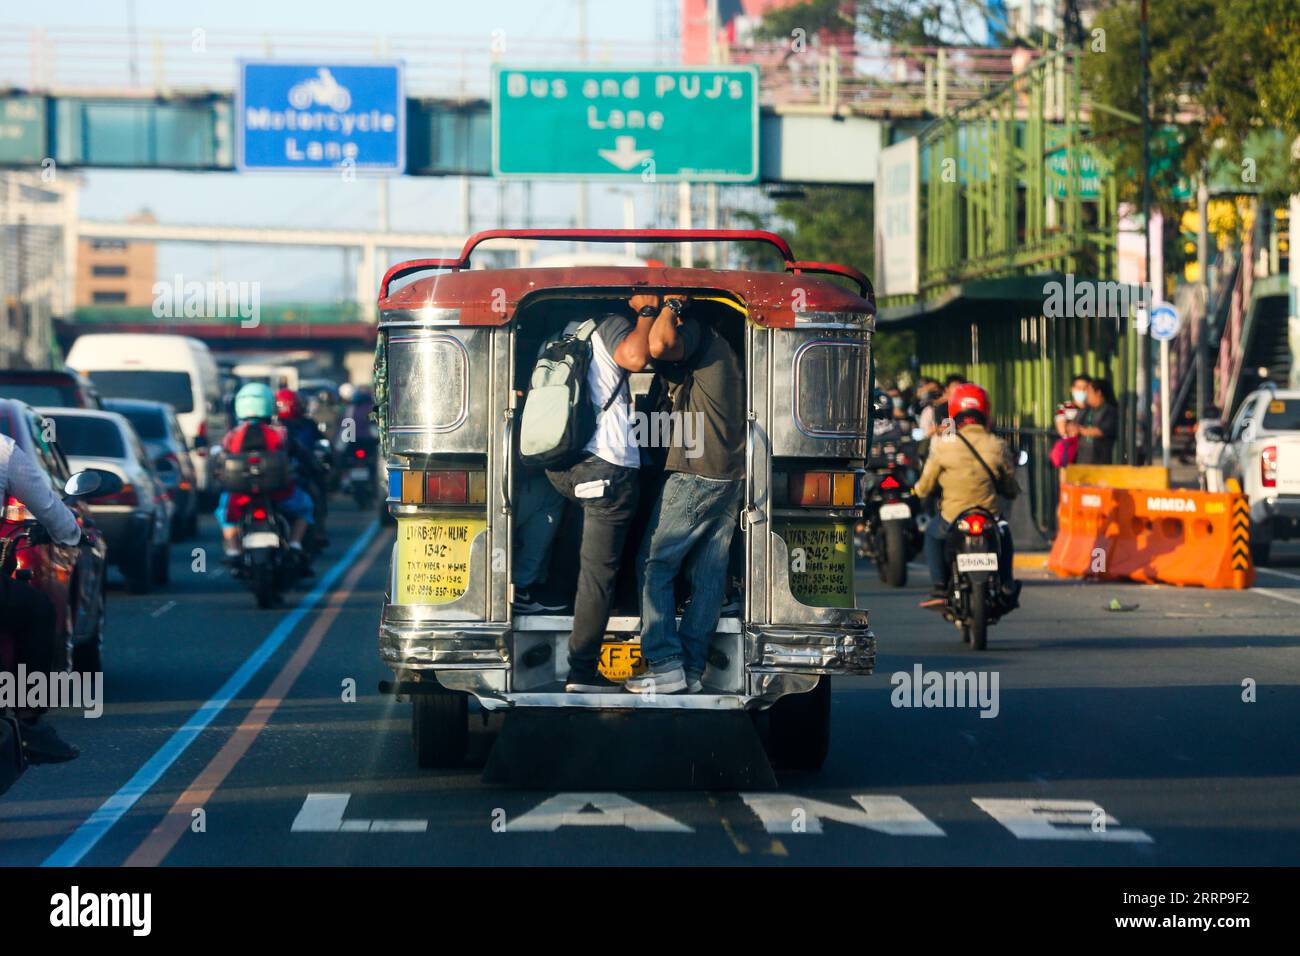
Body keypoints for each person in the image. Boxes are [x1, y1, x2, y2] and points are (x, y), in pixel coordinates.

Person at [625, 296, 745, 695]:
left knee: (653, 563)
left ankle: (663, 663)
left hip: (696, 472)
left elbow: (657, 346)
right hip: (729, 475)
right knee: (709, 575)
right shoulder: (726, 358)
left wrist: (667, 307)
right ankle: (691, 669)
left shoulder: (698, 336)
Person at [541, 295, 657, 693]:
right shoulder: (610, 325)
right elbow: (637, 358)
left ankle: (541, 591)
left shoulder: (561, 332)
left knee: (572, 532)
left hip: (561, 466)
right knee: (598, 575)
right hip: (608, 465)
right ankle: (582, 671)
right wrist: (645, 315)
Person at [0, 433, 82, 762]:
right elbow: (47, 506)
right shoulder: (4, 449)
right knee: (39, 610)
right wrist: (71, 534)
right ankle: (29, 721)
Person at [912, 382, 1020, 608]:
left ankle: (940, 586)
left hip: (952, 517)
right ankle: (1007, 582)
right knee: (1005, 533)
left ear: (954, 412)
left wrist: (919, 491)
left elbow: (926, 483)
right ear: (985, 411)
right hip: (989, 515)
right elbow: (1009, 485)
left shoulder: (944, 444)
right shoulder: (996, 444)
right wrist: (1008, 491)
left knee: (932, 535)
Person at [215, 383, 314, 571]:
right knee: (305, 507)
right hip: (279, 493)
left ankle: (234, 550)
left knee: (224, 513)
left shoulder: (232, 436)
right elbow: (298, 454)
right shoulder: (280, 433)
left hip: (240, 496)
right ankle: (294, 544)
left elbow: (220, 459)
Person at [1076, 377, 1118, 465]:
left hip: (1100, 464)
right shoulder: (1086, 410)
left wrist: (1080, 430)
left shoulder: (1109, 411)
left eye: (1089, 392)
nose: (1087, 395)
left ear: (1098, 393)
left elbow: (1102, 431)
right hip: (1082, 463)